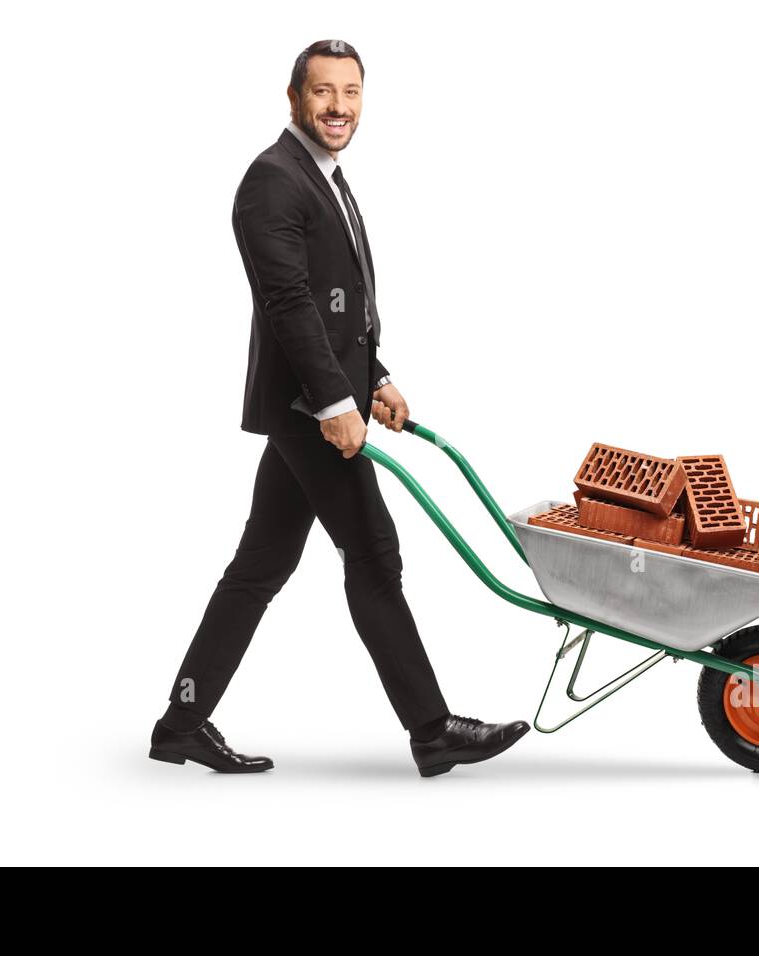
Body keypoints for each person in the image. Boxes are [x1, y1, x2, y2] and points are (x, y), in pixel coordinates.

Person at [148, 39, 529, 778]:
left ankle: (181, 722)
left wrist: (375, 377)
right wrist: (334, 401)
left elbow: (337, 301)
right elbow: (288, 304)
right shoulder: (272, 180)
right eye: (324, 92)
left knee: (261, 563)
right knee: (374, 556)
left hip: (327, 400)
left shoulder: (321, 174)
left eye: (351, 92)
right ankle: (432, 729)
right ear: (294, 97)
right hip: (309, 409)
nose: (338, 107)